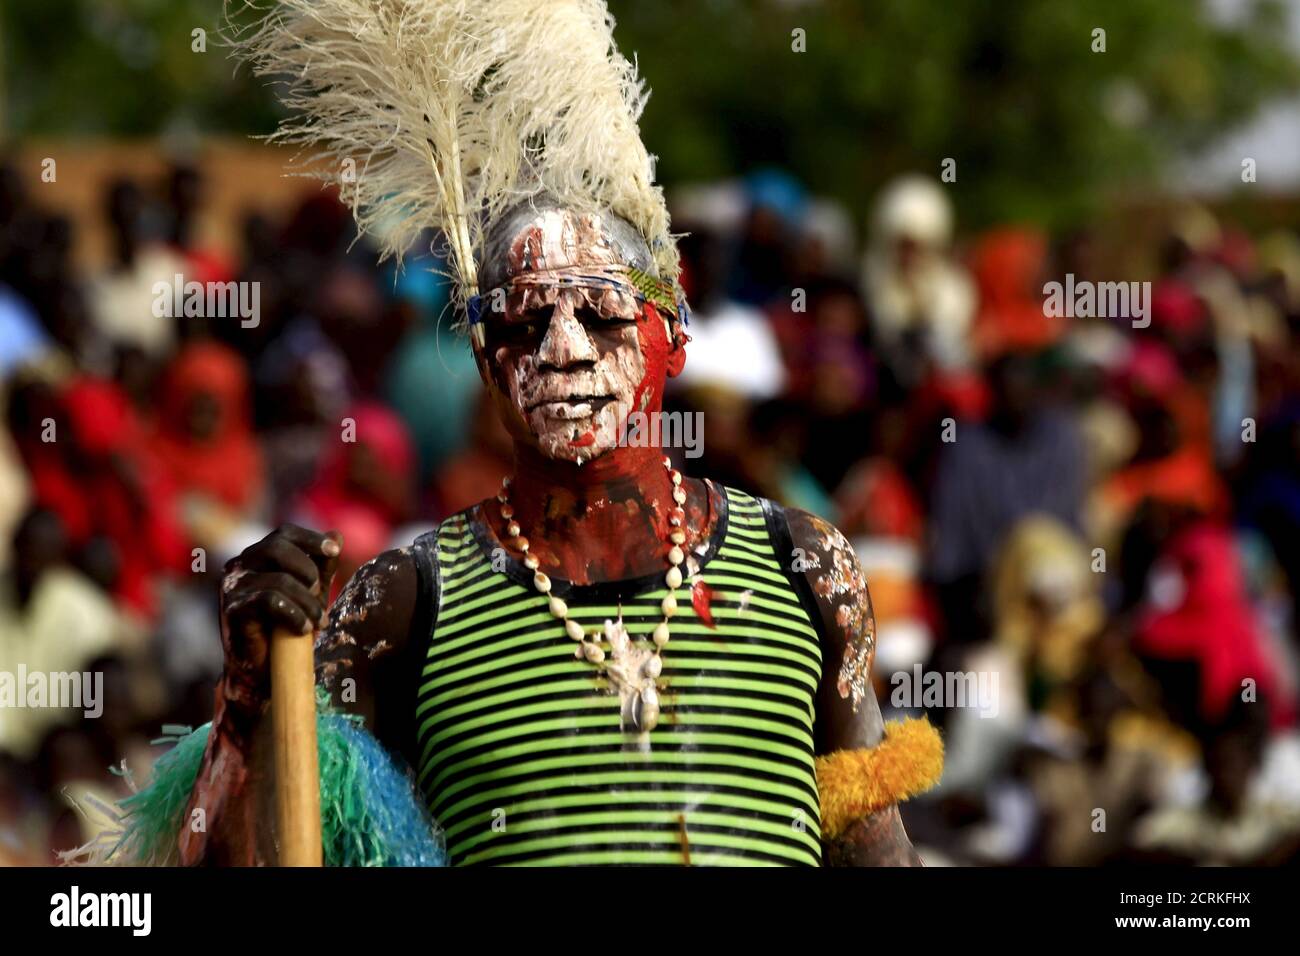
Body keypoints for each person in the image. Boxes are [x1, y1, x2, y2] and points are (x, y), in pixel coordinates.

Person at [171, 0, 942, 867]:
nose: (564, 349)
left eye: (603, 313)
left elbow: (877, 854)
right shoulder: (405, 601)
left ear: (672, 336)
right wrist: (250, 701)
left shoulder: (803, 565)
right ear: (484, 358)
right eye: (524, 321)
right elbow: (251, 856)